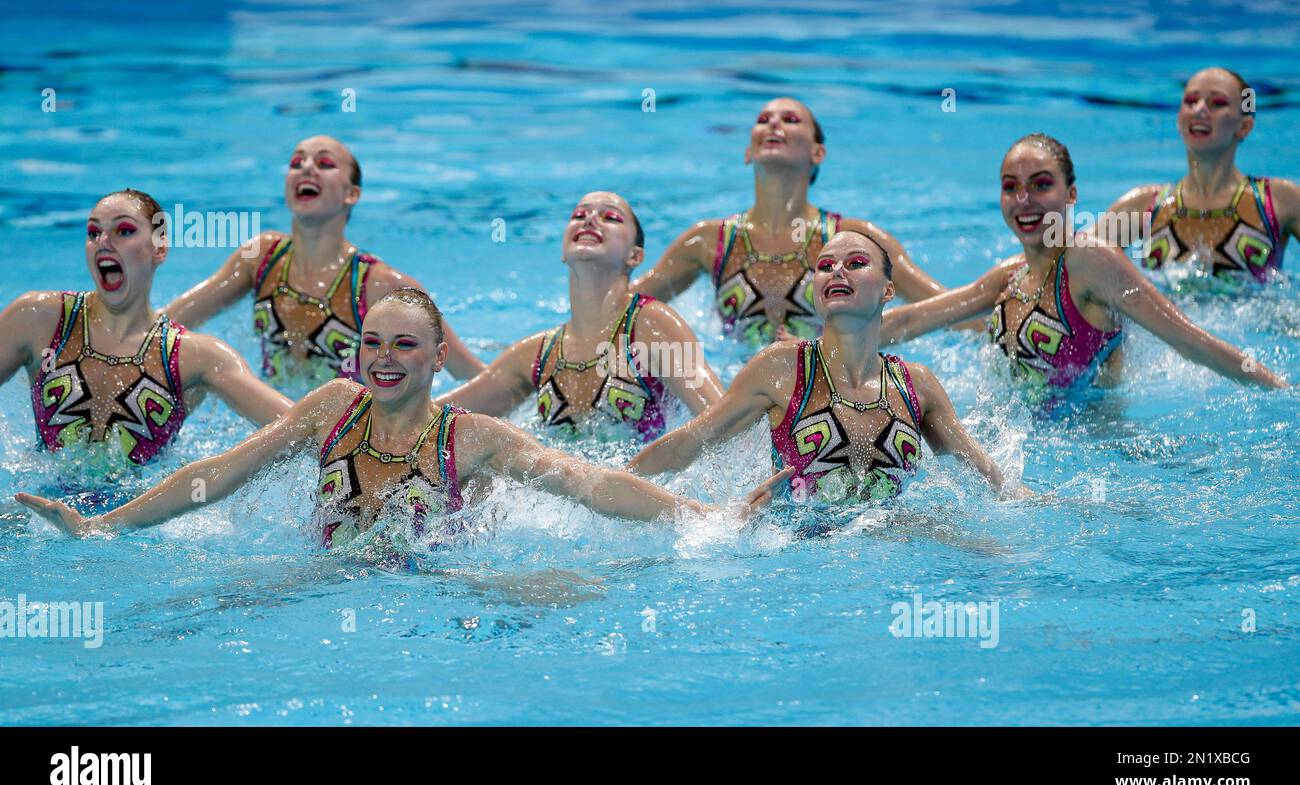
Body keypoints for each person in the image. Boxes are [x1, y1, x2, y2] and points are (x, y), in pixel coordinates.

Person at [17, 290, 786, 543]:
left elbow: (588, 484)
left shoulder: (472, 437)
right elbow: (218, 473)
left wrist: (701, 517)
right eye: (373, 343)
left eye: (405, 346)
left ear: (433, 358)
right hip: (325, 579)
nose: (384, 358)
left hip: (434, 582)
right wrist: (104, 526)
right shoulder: (331, 409)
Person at [629, 231, 1029, 504]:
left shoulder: (917, 386)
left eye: (856, 263)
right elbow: (690, 443)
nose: (837, 271)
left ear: (888, 290)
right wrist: (610, 484)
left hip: (896, 551)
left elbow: (987, 478)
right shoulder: (782, 367)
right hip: (796, 555)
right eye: (825, 266)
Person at [882, 133, 1288, 392]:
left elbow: (1186, 339)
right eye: (1011, 188)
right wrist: (820, 354)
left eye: (1041, 185)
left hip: (1095, 457)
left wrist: (1280, 391)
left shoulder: (1089, 260)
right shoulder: (1009, 276)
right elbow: (911, 322)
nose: (1024, 200)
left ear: (1071, 194)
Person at [164, 135, 484, 391]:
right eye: (297, 162)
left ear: (352, 194)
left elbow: (471, 375)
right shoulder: (261, 257)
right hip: (271, 419)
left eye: (325, 163)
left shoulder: (381, 286)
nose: (306, 168)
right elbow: (169, 325)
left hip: (346, 432)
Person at [0, 190, 292, 467]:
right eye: (93, 233)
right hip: (35, 511)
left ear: (159, 248)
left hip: (140, 518)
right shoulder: (38, 318)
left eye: (123, 231)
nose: (103, 242)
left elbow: (304, 424)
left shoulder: (196, 357)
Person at [631, 97, 947, 346]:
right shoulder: (707, 241)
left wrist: (992, 307)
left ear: (818, 152)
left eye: (790, 120)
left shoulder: (854, 240)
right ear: (748, 153)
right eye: (763, 120)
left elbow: (939, 306)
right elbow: (625, 308)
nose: (773, 125)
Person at [437, 191, 724, 442]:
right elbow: (437, 419)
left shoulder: (652, 325)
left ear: (634, 257)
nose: (589, 220)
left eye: (610, 217)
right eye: (579, 215)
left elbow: (723, 416)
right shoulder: (538, 354)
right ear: (563, 252)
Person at [1104, 67, 1299, 294]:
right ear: (1179, 119)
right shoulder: (1143, 206)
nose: (1200, 110)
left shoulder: (1278, 201)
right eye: (1190, 101)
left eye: (1217, 103)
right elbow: (1073, 261)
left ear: (1243, 126)